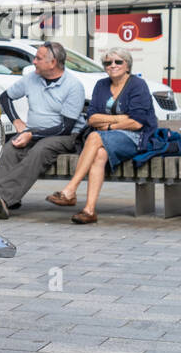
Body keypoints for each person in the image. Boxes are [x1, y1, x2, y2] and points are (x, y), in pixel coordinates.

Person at [45, 49, 158, 224]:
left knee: (95, 137)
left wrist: (109, 125)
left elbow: (137, 123)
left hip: (136, 137)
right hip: (108, 137)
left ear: (127, 65)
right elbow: (91, 118)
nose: (112, 65)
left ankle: (70, 189)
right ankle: (89, 210)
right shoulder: (101, 85)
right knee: (99, 154)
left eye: (118, 62)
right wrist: (120, 118)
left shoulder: (137, 85)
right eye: (108, 63)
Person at [0, 41, 85, 219]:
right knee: (9, 149)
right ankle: (11, 201)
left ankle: (0, 197)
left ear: (53, 62)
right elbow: (6, 97)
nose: (33, 62)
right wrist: (17, 121)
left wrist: (31, 134)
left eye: (38, 58)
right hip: (33, 132)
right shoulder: (31, 78)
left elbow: (66, 127)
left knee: (41, 150)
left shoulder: (73, 86)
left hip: (65, 136)